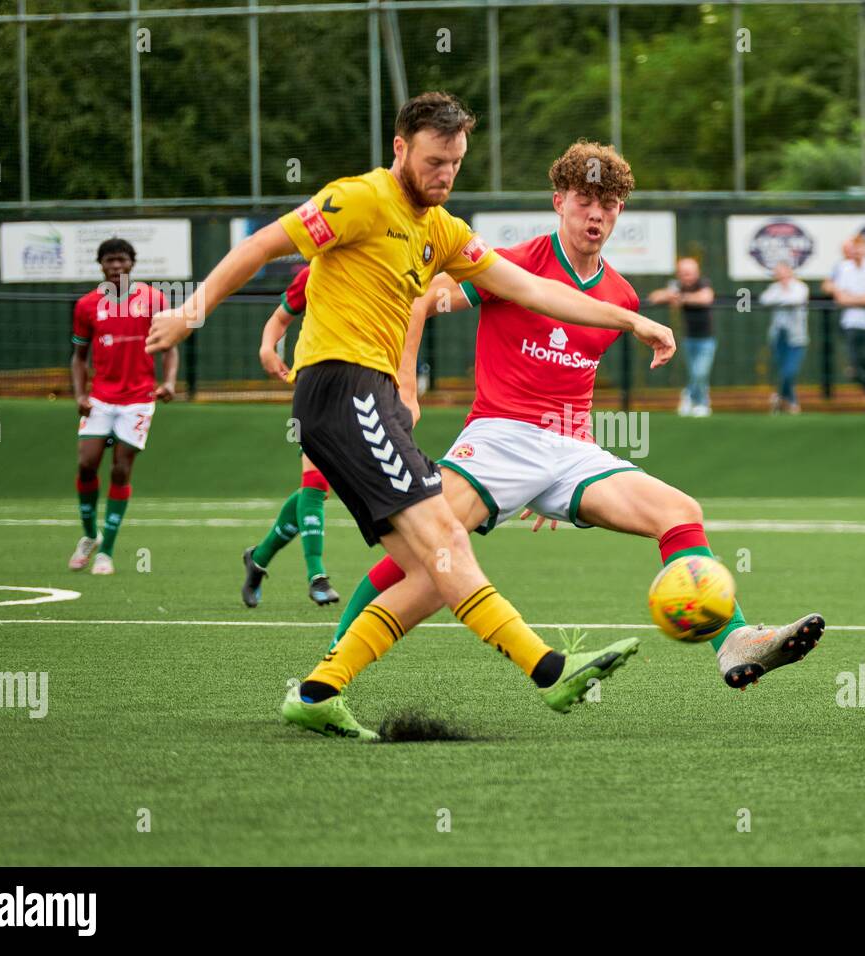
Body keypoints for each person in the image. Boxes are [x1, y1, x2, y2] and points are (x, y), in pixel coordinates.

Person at [145, 92, 677, 741]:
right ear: (399, 149)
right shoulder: (359, 199)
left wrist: (634, 320)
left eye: (454, 162)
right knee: (447, 545)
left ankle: (319, 690)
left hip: (366, 400)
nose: (444, 175)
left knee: (432, 568)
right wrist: (189, 313)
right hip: (341, 388)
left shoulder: (444, 229)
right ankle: (553, 671)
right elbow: (261, 244)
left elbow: (535, 289)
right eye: (433, 160)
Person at [328, 140, 824, 690]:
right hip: (498, 439)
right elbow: (422, 299)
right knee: (425, 550)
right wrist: (404, 384)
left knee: (680, 510)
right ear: (559, 201)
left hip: (568, 448)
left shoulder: (621, 297)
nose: (597, 214)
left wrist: (564, 468)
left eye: (609, 204)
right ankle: (332, 663)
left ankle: (733, 642)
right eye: (586, 199)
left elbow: (575, 376)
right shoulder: (508, 266)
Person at [68, 238, 177, 575]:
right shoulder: (87, 305)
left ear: (132, 263)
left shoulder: (154, 299)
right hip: (100, 398)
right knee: (87, 464)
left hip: (139, 400)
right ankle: (89, 537)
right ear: (101, 266)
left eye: (121, 260)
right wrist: (79, 394)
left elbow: (169, 345)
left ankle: (108, 553)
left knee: (120, 468)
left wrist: (170, 381)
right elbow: (79, 356)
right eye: (109, 261)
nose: (116, 266)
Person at [240, 265, 340, 608]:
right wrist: (268, 347)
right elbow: (280, 318)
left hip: (364, 385)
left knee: (318, 488)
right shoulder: (314, 272)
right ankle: (317, 575)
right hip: (314, 383)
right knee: (315, 482)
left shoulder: (380, 265)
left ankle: (259, 557)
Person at [826, 236, 865, 415]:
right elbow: (839, 298)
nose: (857, 252)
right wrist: (853, 299)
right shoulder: (844, 268)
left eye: (860, 248)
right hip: (851, 323)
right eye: (855, 248)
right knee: (854, 367)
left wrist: (850, 298)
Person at [649, 257, 715, 417]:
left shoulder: (703, 283)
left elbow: (706, 297)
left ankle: (698, 401)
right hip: (689, 338)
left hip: (706, 338)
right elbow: (654, 297)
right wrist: (669, 295)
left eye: (690, 273)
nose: (688, 277)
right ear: (679, 274)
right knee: (694, 372)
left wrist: (682, 298)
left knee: (700, 372)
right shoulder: (677, 286)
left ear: (697, 273)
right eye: (684, 274)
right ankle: (693, 399)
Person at [758, 261, 810, 414]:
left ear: (790, 272)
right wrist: (782, 299)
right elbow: (764, 300)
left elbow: (796, 300)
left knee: (789, 371)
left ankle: (781, 397)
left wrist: (779, 300)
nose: (780, 276)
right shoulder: (774, 288)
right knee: (781, 370)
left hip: (796, 337)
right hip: (778, 335)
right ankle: (790, 401)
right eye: (777, 274)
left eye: (783, 273)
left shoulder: (800, 287)